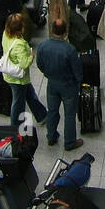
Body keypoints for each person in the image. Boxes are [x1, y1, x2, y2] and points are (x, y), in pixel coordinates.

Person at [35, 18, 84, 151]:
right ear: (65, 31)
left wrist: (47, 73)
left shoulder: (43, 46)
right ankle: (69, 142)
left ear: (52, 30)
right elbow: (77, 71)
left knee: (52, 111)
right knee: (69, 114)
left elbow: (39, 64)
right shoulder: (70, 50)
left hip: (52, 83)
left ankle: (51, 136)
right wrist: (79, 81)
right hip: (68, 86)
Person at [0, 12, 46, 135]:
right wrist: (31, 56)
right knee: (18, 103)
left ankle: (41, 114)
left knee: (30, 94)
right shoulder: (19, 44)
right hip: (18, 79)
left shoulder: (6, 34)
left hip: (11, 76)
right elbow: (24, 64)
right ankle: (15, 127)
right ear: (19, 29)